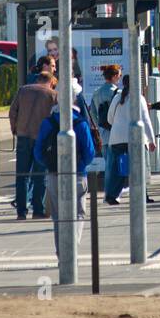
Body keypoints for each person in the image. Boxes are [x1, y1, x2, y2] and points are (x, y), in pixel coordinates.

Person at [35, 94, 95, 261]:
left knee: (58, 216)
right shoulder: (81, 123)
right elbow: (90, 153)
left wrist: (50, 165)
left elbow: (38, 152)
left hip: (54, 174)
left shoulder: (48, 123)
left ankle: (61, 252)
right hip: (77, 174)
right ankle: (72, 249)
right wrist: (80, 165)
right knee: (78, 213)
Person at [9, 70, 56, 220]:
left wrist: (15, 129)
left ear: (38, 79)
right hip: (41, 138)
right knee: (39, 175)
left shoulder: (23, 90)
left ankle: (21, 212)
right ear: (51, 81)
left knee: (22, 175)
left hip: (23, 136)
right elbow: (55, 116)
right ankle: (37, 210)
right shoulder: (52, 94)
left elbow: (12, 111)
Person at [103, 74, 157, 204]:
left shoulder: (117, 97)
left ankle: (111, 195)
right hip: (136, 139)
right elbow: (145, 120)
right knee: (139, 169)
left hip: (117, 138)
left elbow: (109, 119)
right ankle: (141, 195)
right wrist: (151, 140)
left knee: (117, 169)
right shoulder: (139, 99)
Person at [92, 64, 122, 131]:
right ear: (115, 76)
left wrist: (99, 127)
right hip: (116, 132)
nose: (120, 77)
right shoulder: (119, 93)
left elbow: (93, 113)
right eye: (120, 75)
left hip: (102, 133)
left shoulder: (96, 92)